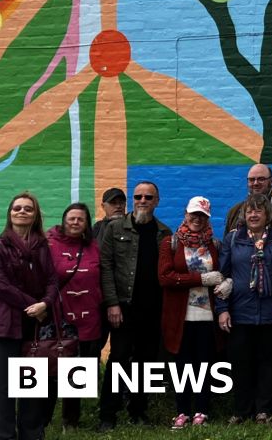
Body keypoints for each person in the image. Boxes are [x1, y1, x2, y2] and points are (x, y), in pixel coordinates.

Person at [98, 181, 171, 431]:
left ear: (157, 201)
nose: (142, 201)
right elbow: (105, 267)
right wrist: (112, 303)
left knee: (146, 360)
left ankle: (138, 410)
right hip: (123, 307)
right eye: (138, 196)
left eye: (148, 197)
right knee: (118, 358)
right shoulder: (115, 227)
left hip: (152, 308)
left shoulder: (164, 232)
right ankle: (108, 414)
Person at [217, 193, 272, 425]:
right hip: (240, 312)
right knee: (241, 363)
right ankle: (242, 410)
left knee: (269, 362)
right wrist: (222, 309)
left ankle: (265, 410)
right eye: (249, 211)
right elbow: (223, 276)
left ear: (267, 214)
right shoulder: (234, 239)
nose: (253, 215)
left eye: (258, 210)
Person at [0, 192, 57, 440]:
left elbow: (52, 280)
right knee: (4, 385)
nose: (22, 212)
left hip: (36, 326)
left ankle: (31, 433)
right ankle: (3, 435)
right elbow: (2, 287)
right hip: (8, 325)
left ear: (35, 215)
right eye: (17, 208)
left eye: (28, 208)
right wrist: (34, 305)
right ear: (10, 213)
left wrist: (46, 303)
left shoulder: (43, 247)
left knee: (31, 382)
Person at [158, 196, 224, 429]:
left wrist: (226, 282)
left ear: (208, 218)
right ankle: (182, 411)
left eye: (202, 216)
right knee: (182, 365)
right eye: (194, 214)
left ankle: (202, 410)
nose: (197, 219)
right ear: (185, 214)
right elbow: (165, 277)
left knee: (204, 364)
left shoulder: (214, 244)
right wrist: (201, 279)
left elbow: (223, 272)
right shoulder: (171, 243)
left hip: (207, 316)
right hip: (180, 316)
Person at [45, 202, 102, 431]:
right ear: (64, 220)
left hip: (88, 317)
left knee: (78, 370)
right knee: (50, 368)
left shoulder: (94, 246)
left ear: (87, 223)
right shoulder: (49, 244)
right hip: (57, 316)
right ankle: (42, 418)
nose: (76, 222)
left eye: (81, 219)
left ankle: (71, 420)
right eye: (72, 218)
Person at [225, 163, 272, 233]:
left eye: (261, 179)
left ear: (271, 181)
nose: (256, 183)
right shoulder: (235, 211)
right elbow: (227, 241)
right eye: (251, 180)